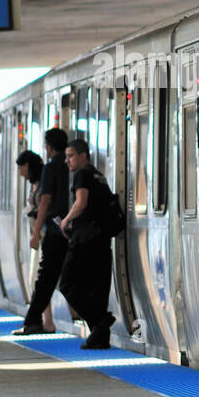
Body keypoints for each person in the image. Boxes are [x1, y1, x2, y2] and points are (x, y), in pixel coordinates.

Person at [58, 139, 116, 350]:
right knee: (96, 288)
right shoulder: (99, 176)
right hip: (102, 240)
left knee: (67, 283)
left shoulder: (82, 174)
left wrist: (66, 220)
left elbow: (81, 202)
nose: (67, 161)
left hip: (84, 238)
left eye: (71, 156)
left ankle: (101, 320)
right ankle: (100, 336)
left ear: (84, 155)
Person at [13, 129, 71, 335]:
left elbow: (45, 201)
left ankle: (33, 322)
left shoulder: (51, 167)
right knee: (66, 279)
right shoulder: (71, 166)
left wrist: (36, 232)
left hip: (54, 233)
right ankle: (95, 321)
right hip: (72, 231)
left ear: (48, 146)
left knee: (44, 279)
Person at [12, 149, 58, 333]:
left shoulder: (42, 185)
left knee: (37, 280)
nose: (21, 172)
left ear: (28, 166)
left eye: (21, 167)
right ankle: (45, 320)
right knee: (37, 280)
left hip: (42, 237)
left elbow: (43, 208)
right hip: (37, 236)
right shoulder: (35, 185)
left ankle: (46, 322)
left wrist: (36, 232)